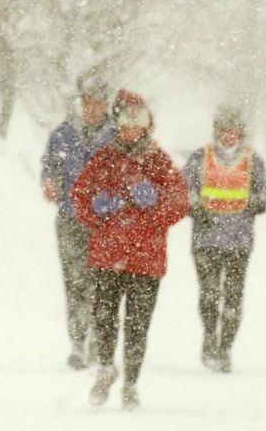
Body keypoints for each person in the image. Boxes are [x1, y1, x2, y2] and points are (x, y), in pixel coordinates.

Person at [71, 89, 187, 411]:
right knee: (105, 318)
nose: (129, 131)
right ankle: (106, 369)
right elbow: (79, 195)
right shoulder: (103, 159)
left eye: (136, 125)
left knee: (138, 325)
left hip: (146, 260)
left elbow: (180, 203)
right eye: (124, 124)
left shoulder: (158, 161)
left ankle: (131, 384)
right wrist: (96, 209)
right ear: (116, 125)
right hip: (107, 256)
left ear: (146, 127)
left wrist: (155, 207)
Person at [181, 106, 266, 373]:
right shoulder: (201, 157)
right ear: (216, 132)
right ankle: (210, 336)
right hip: (205, 239)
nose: (228, 136)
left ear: (240, 133)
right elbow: (183, 190)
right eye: (223, 130)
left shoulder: (252, 161)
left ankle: (225, 347)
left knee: (232, 297)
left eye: (232, 131)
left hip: (239, 240)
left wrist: (253, 204)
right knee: (209, 295)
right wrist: (196, 207)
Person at [40, 72, 113, 369]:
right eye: (87, 103)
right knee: (74, 282)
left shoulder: (115, 137)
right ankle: (77, 340)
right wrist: (48, 181)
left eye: (97, 103)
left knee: (100, 281)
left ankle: (98, 338)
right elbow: (49, 165)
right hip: (70, 219)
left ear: (105, 105)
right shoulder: (63, 134)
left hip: (103, 222)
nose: (91, 109)